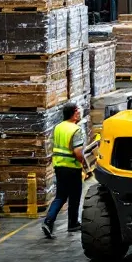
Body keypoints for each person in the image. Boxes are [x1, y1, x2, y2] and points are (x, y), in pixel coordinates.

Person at [42, 102, 85, 238]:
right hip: (72, 167)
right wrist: (83, 162)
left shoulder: (58, 127)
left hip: (59, 166)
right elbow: (78, 152)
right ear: (73, 114)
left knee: (60, 196)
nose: (79, 112)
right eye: (77, 111)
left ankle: (48, 221)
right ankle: (72, 223)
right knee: (74, 196)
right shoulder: (75, 129)